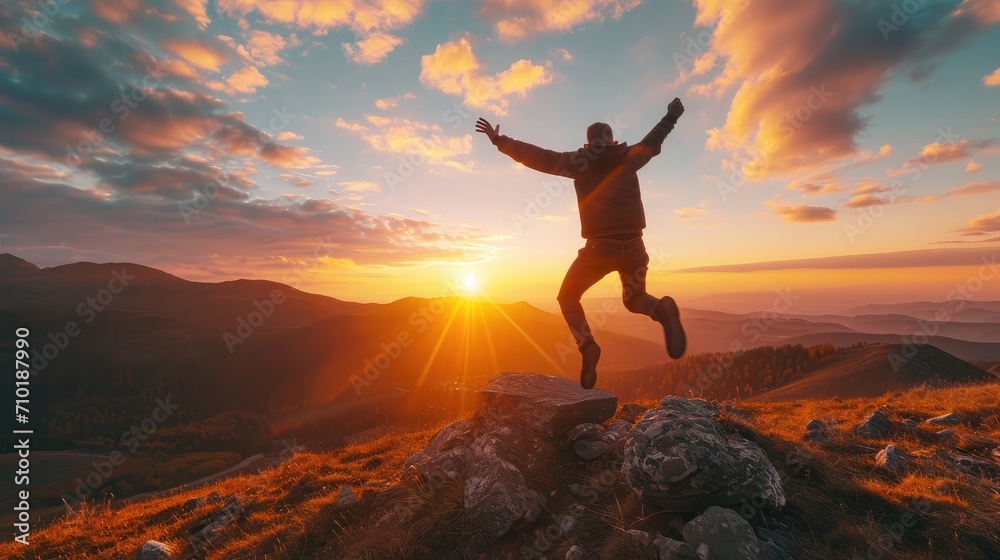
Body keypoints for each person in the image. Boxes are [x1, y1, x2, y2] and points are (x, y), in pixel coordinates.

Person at [475, 98, 687, 389]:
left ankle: (587, 344)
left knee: (568, 297)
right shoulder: (631, 157)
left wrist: (499, 140)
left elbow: (537, 156)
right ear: (613, 140)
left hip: (600, 249)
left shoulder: (579, 162)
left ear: (587, 145)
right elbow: (654, 140)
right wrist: (670, 116)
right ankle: (660, 310)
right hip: (635, 246)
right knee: (635, 299)